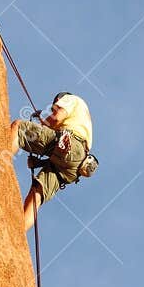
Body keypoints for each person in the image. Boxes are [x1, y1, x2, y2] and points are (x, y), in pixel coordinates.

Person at [9, 93, 95, 231]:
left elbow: (56, 118)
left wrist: (43, 120)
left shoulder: (71, 99)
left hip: (71, 143)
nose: (54, 109)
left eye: (55, 107)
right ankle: (18, 234)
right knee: (36, 194)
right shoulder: (82, 120)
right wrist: (38, 163)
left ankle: (2, 162)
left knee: (20, 127)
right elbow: (61, 157)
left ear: (59, 100)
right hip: (75, 166)